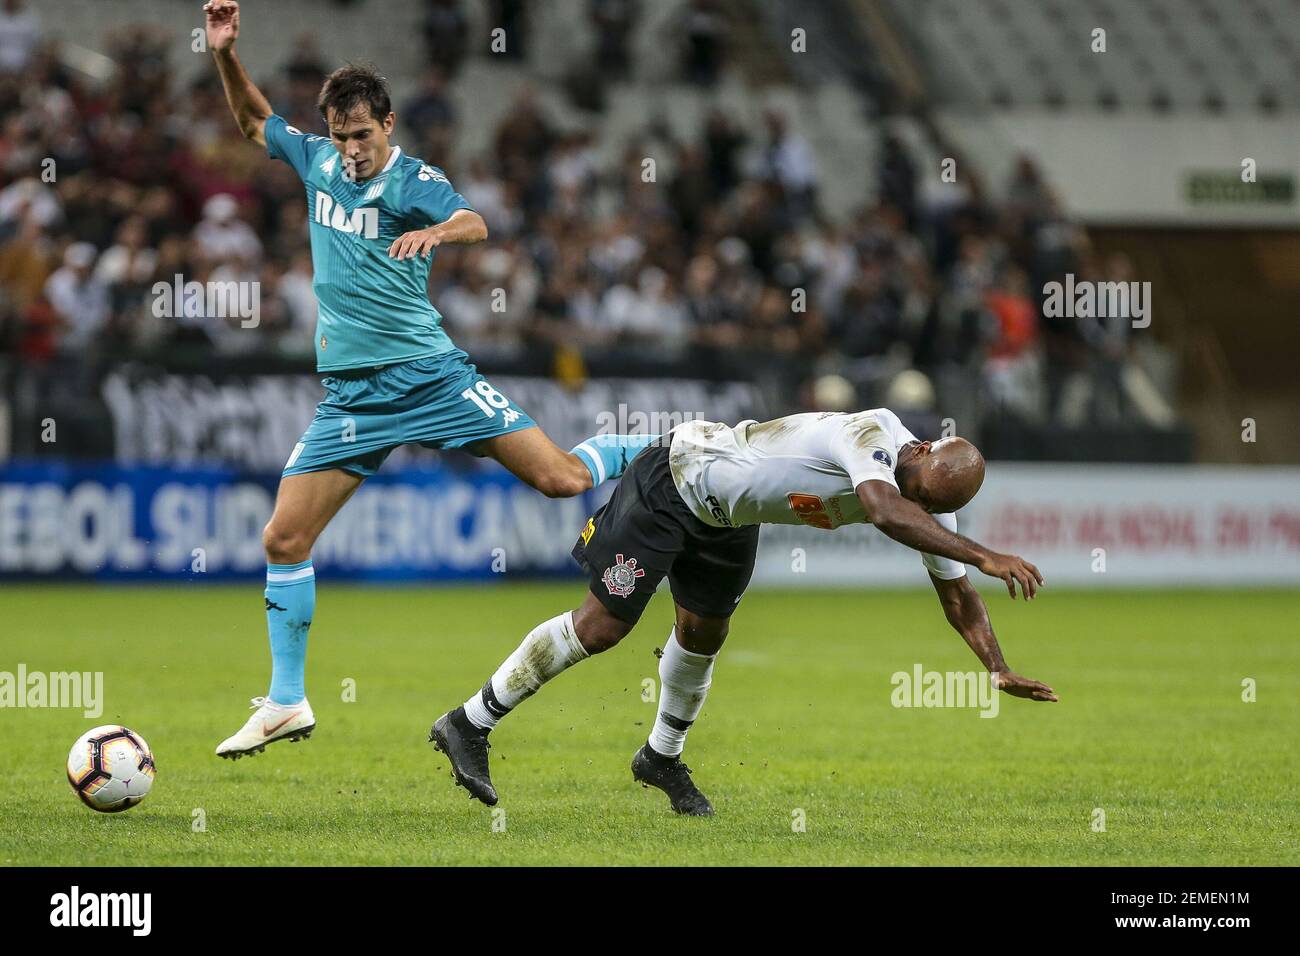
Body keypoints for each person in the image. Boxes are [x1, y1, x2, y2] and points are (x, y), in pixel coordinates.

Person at [202, 1, 654, 758]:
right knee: (284, 536)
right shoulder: (316, 160)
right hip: (352, 398)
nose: (350, 151)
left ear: (388, 122)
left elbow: (476, 221)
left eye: (362, 135)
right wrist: (224, 53)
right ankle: (286, 701)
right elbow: (255, 122)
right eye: (341, 136)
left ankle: (645, 446)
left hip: (430, 377)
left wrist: (435, 231)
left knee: (563, 479)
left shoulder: (415, 178)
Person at [432, 408, 1056, 815]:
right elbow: (888, 510)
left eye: (928, 503)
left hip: (731, 521)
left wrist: (995, 667)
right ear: (919, 451)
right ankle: (470, 722)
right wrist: (985, 554)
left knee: (703, 634)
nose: (916, 504)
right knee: (603, 627)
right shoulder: (871, 435)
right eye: (917, 490)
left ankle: (660, 758)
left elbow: (956, 597)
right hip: (678, 478)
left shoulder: (924, 498)